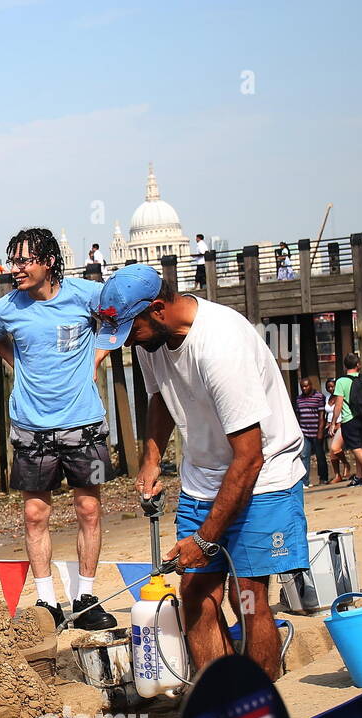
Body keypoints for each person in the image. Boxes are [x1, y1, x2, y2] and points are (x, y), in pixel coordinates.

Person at [96, 263, 307, 680]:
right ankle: (222, 701)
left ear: (157, 309)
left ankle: (263, 701)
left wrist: (205, 539)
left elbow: (250, 459)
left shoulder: (221, 346)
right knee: (194, 595)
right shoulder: (149, 342)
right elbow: (160, 399)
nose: (125, 344)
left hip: (264, 476)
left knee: (246, 596)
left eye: (129, 331)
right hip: (203, 477)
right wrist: (151, 459)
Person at [0, 227, 119, 629]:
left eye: (24, 260)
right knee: (34, 514)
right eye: (13, 260)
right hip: (31, 428)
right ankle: (47, 601)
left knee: (89, 509)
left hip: (84, 424)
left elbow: (120, 319)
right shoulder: (5, 309)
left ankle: (86, 598)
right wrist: (19, 367)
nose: (16, 268)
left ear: (48, 262)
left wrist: (95, 358)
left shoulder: (86, 295)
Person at [330, 353, 362, 486]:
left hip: (349, 419)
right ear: (358, 364)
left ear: (345, 365)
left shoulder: (341, 381)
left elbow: (338, 404)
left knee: (356, 448)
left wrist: (333, 422)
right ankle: (359, 477)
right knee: (359, 447)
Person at [293, 375, 329, 486]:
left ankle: (323, 478)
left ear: (311, 385)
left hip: (316, 430)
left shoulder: (319, 397)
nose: (304, 389)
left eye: (306, 386)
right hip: (304, 431)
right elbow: (298, 416)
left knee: (320, 455)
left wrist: (320, 431)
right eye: (302, 387)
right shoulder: (299, 399)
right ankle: (305, 481)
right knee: (304, 455)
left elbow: (321, 415)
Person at [323, 377, 350, 484]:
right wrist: (327, 424)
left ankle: (346, 463)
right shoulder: (327, 398)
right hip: (330, 426)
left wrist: (339, 423)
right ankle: (337, 475)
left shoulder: (340, 396)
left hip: (340, 424)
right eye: (328, 387)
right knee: (331, 452)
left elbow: (343, 410)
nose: (331, 389)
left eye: (332, 386)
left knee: (336, 449)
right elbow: (327, 413)